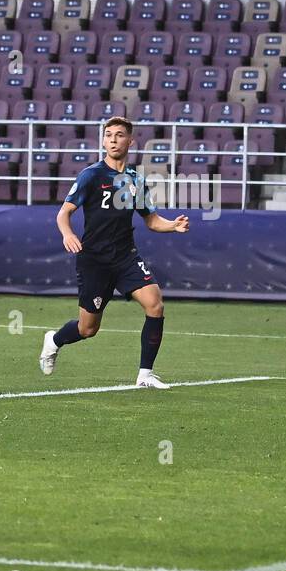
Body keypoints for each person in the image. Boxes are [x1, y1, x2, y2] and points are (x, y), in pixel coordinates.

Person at [39, 116, 190, 389]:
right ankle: (54, 340)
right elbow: (64, 213)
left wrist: (173, 226)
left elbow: (152, 220)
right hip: (95, 260)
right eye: (108, 135)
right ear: (103, 140)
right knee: (88, 329)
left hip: (125, 256)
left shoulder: (135, 180)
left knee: (155, 303)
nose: (113, 139)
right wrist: (68, 233)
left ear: (130, 141)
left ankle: (145, 374)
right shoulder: (91, 175)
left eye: (119, 135)